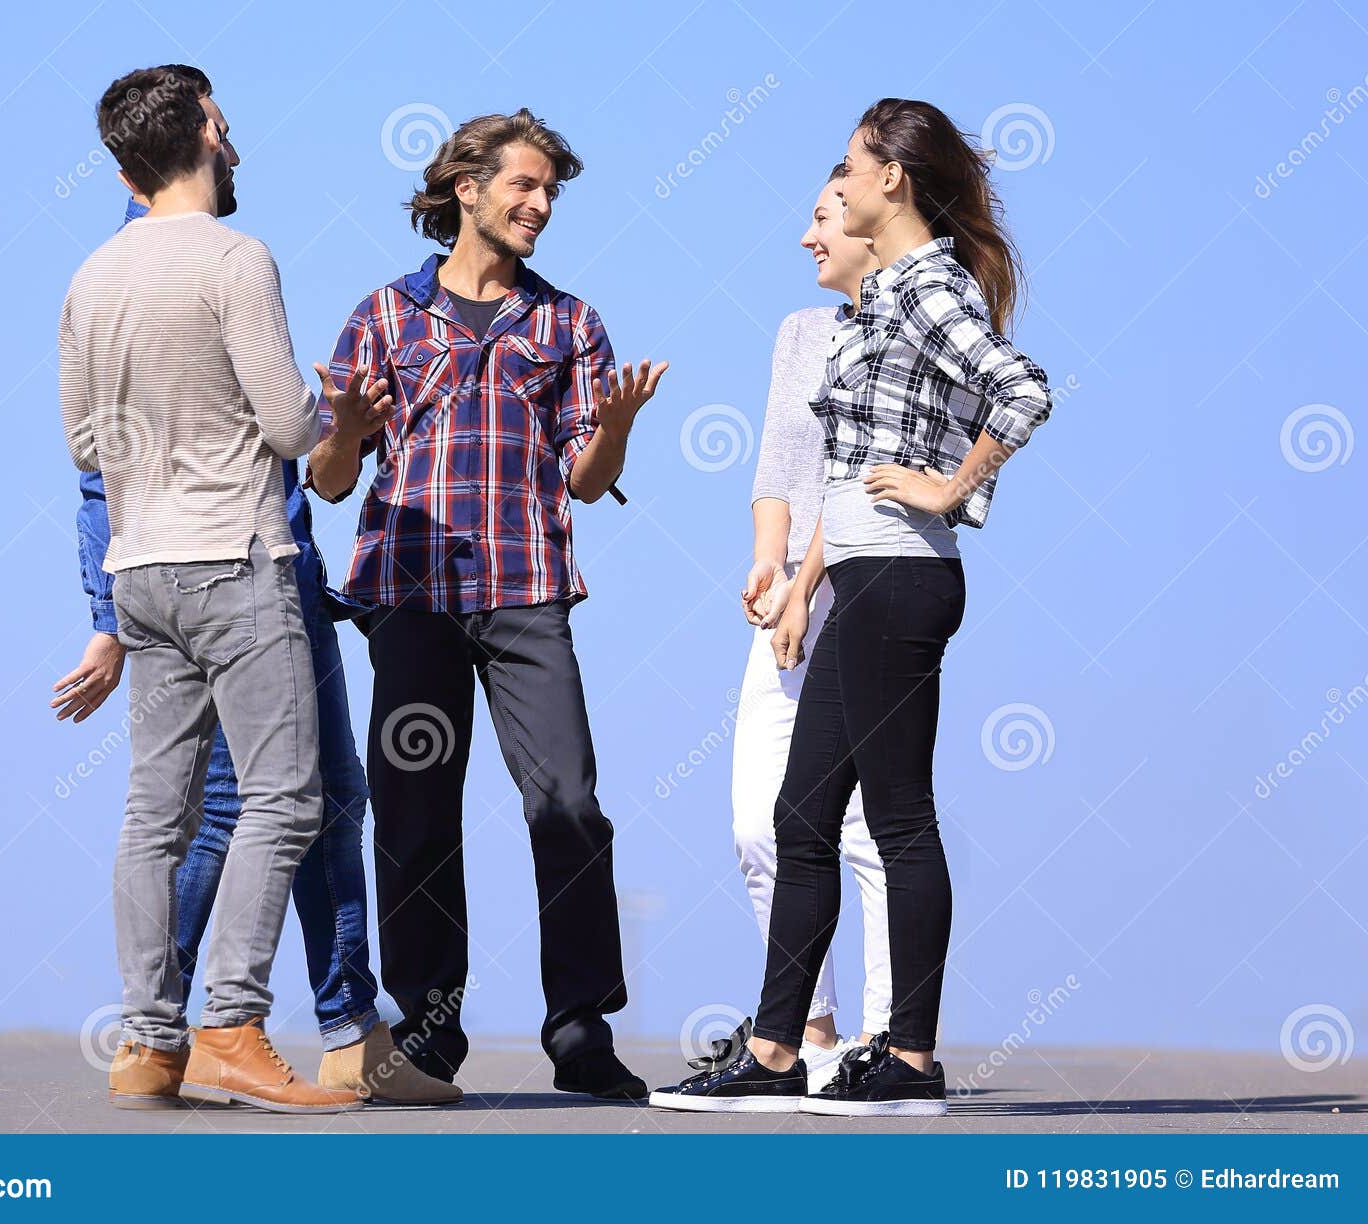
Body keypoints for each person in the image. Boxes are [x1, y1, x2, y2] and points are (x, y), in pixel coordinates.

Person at [53, 65, 457, 1110]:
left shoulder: (90, 277)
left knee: (157, 814)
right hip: (239, 560)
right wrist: (347, 425)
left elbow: (85, 441)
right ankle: (232, 1022)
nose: (234, 143)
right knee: (289, 797)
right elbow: (288, 427)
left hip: (140, 568)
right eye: (225, 126)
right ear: (200, 135)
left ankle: (148, 1043)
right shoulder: (238, 259)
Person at [652, 98, 1054, 1116]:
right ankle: (777, 1051)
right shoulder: (884, 301)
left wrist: (947, 487)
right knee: (801, 814)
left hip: (899, 579)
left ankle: (910, 1059)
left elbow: (1023, 392)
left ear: (892, 181)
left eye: (847, 165)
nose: (834, 182)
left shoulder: (927, 288)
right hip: (864, 578)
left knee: (899, 818)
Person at [307, 109, 667, 1098]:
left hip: (525, 593)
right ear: (466, 188)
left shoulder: (569, 323)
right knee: (414, 813)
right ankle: (430, 1029)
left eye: (551, 192)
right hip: (409, 599)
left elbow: (588, 480)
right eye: (525, 186)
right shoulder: (383, 316)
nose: (541, 206)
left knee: (568, 804)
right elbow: (331, 481)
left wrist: (620, 427)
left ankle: (580, 1029)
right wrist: (341, 425)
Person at [657, 171, 890, 1112]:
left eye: (823, 217)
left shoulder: (897, 337)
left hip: (860, 589)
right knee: (762, 823)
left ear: (875, 223)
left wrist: (806, 584)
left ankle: (885, 1038)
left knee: (871, 829)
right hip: (790, 592)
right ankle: (811, 1028)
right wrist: (767, 566)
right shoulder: (801, 334)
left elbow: (862, 478)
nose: (806, 236)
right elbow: (779, 465)